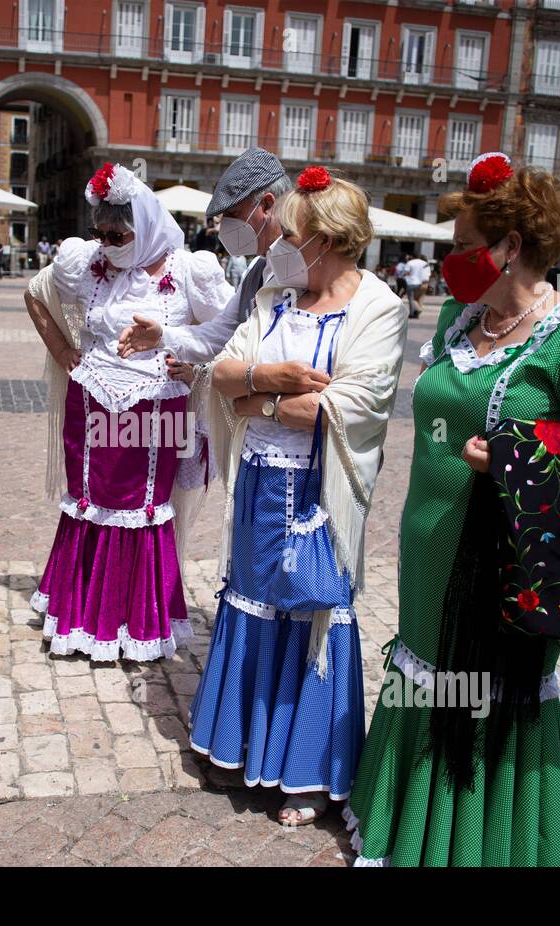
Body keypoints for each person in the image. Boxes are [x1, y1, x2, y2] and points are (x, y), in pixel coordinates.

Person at [345, 153, 560, 866]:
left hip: (506, 554)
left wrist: (526, 445)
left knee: (489, 682)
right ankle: (411, 825)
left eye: (462, 246)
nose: (450, 261)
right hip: (428, 542)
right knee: (425, 667)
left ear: (510, 246)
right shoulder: (460, 319)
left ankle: (481, 844)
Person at [188, 166, 408, 825]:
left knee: (312, 609)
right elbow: (222, 371)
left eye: (290, 233)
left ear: (329, 240)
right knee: (251, 603)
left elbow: (345, 407)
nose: (277, 243)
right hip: (260, 483)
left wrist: (260, 400)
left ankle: (307, 772)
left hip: (320, 494)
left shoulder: (379, 308)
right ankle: (241, 746)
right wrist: (267, 378)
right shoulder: (272, 298)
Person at [22, 161, 234, 661]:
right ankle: (80, 615)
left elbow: (232, 334)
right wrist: (60, 351)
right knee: (89, 503)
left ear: (145, 223)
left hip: (158, 412)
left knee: (143, 510)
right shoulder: (86, 263)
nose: (107, 243)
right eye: (101, 233)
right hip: (89, 400)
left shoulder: (189, 271)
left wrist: (196, 370)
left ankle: (135, 620)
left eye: (118, 234)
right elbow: (36, 294)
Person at [118, 146, 291, 366]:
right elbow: (224, 331)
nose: (224, 226)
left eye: (233, 214)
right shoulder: (257, 268)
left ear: (266, 205)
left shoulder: (307, 267)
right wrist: (163, 336)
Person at [405, 252, 430, 319]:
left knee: (412, 299)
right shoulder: (425, 263)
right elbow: (428, 274)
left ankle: (418, 309)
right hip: (424, 282)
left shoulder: (410, 262)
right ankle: (416, 315)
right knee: (420, 298)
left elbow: (405, 273)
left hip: (412, 283)